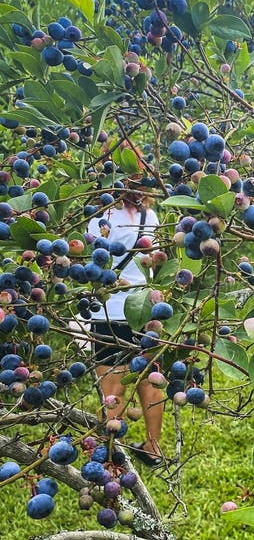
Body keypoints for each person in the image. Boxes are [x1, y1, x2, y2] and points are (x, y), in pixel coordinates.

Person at [87, 185, 164, 466]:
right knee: (150, 379)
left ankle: (110, 453)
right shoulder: (151, 216)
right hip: (146, 309)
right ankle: (153, 448)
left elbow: (91, 268)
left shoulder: (97, 219)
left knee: (113, 387)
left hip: (111, 314)